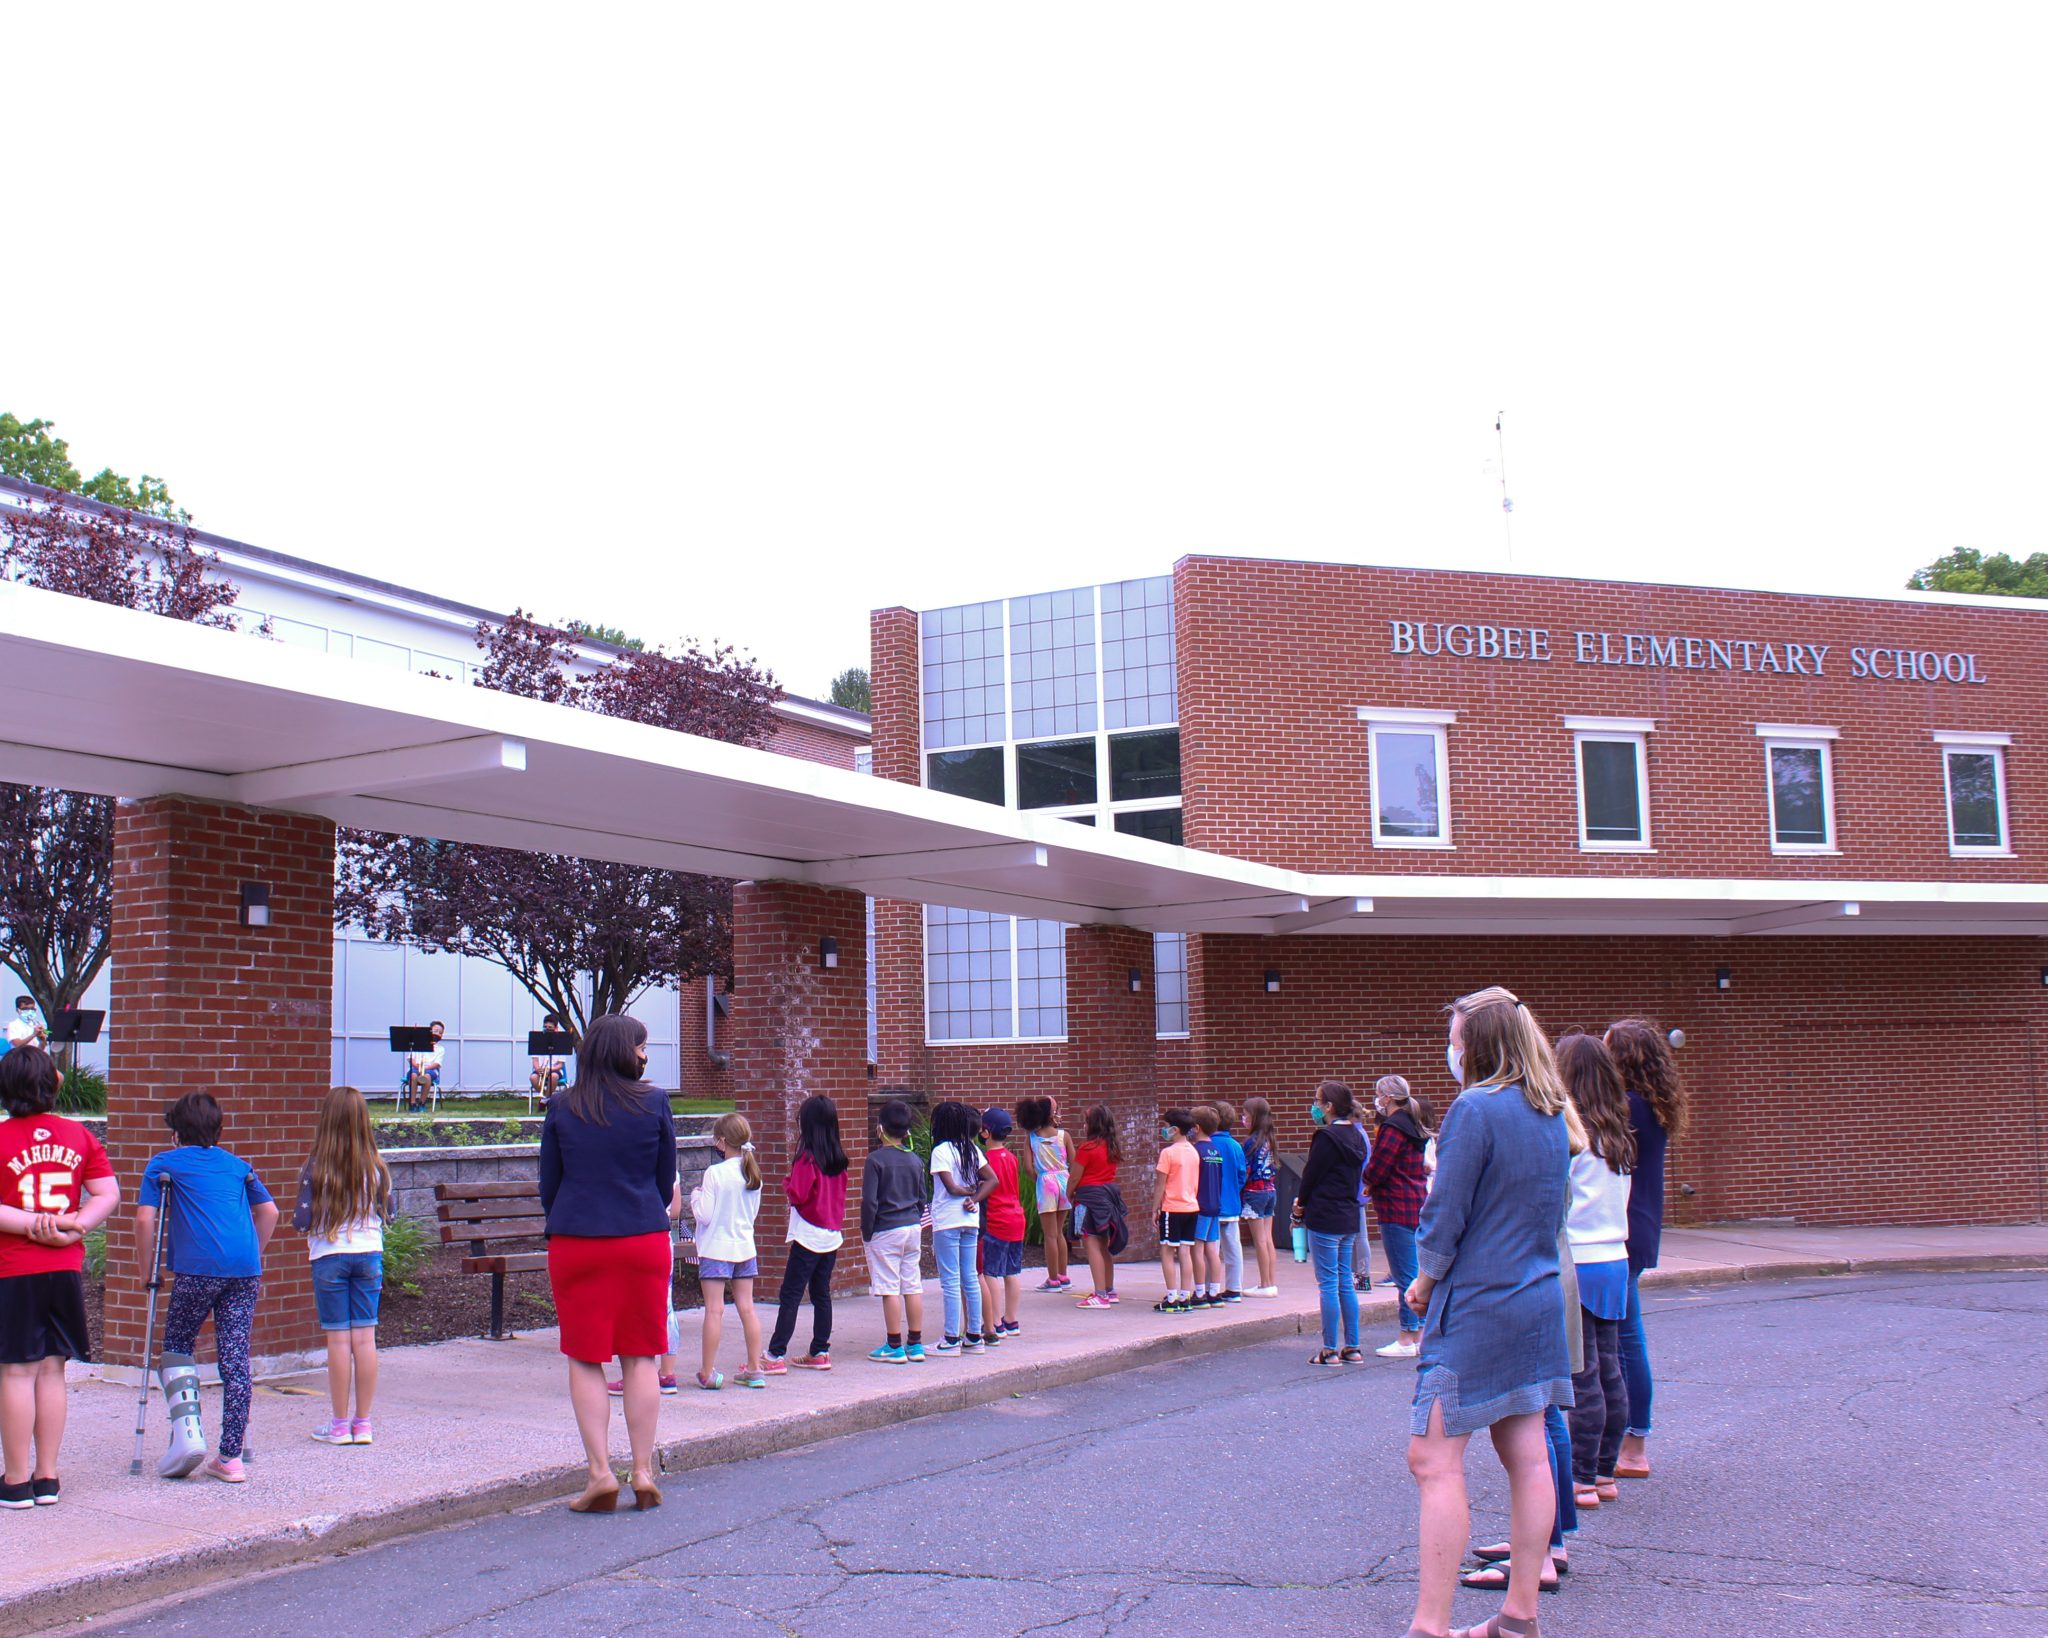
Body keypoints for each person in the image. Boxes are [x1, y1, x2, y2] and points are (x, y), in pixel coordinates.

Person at [1401, 985, 1583, 1638]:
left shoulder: (1474, 1109)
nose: (1449, 1051)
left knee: (1433, 1460)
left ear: (1475, 1045)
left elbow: (1445, 1213)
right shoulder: (1549, 1110)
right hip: (1535, 1298)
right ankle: (1519, 1615)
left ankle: (1429, 1626)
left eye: (1453, 1039)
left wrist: (1423, 1280)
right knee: (1529, 1454)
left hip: (1476, 1305)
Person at [537, 1012, 677, 1513]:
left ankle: (599, 1473)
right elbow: (666, 1182)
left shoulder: (562, 1106)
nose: (645, 1054)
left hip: (577, 1240)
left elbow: (548, 1185)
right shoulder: (655, 1102)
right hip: (641, 1237)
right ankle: (641, 1471)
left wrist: (570, 1216)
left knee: (585, 1355)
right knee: (641, 1355)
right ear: (623, 1049)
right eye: (641, 1046)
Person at [136, 1091, 279, 1484]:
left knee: (178, 1348)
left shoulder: (164, 1163)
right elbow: (269, 1211)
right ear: (219, 1128)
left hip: (198, 1271)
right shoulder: (237, 1165)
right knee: (234, 1356)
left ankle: (188, 1436)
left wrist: (147, 1270)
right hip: (243, 1270)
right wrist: (252, 1254)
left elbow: (146, 1220)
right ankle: (230, 1457)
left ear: (175, 1131)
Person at [0, 1045, 118, 1508]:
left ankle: (14, 1482)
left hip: (14, 1269)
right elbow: (107, 1194)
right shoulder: (80, 1137)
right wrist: (76, 1226)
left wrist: (32, 1225)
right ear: (54, 1085)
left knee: (15, 1371)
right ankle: (47, 1477)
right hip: (64, 1266)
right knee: (52, 1370)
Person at [1604, 1018, 1687, 1483]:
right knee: (1624, 1337)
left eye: (1607, 1047)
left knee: (1624, 1339)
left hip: (1623, 1231)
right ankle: (1629, 1440)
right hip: (1639, 1228)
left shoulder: (1629, 1108)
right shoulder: (1652, 1104)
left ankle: (1632, 1445)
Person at [293, 1086, 394, 1447]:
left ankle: (338, 1426)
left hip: (329, 1255)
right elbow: (390, 1213)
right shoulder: (377, 1165)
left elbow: (301, 1221)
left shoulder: (315, 1167)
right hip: (368, 1253)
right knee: (365, 1340)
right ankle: (363, 1423)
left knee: (338, 1341)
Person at [764, 1094, 848, 1374]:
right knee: (821, 1292)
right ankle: (820, 1350)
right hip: (831, 1234)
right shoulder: (838, 1159)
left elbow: (798, 1194)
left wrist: (786, 1182)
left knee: (791, 1293)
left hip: (808, 1235)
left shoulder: (806, 1158)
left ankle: (775, 1354)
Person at [1294, 1080, 1369, 1366]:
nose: (1314, 1106)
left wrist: (1299, 1206)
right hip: (1349, 1214)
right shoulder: (1358, 1136)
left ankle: (1329, 1349)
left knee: (1327, 1283)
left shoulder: (1326, 1137)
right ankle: (1353, 1346)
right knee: (1344, 1283)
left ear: (1329, 1106)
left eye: (1317, 1101)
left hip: (1325, 1214)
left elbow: (1311, 1176)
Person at [692, 1112, 767, 1391]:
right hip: (745, 1247)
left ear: (722, 1142)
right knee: (747, 1308)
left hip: (716, 1249)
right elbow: (753, 1214)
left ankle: (708, 1372)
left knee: (714, 1310)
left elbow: (705, 1215)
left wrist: (695, 1197)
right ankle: (754, 1369)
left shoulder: (715, 1173)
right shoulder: (752, 1173)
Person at [1365, 1075, 1435, 1358]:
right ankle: (1418, 1334)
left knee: (1404, 1274)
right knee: (1414, 1269)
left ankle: (1407, 1336)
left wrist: (1367, 1178)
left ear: (1388, 1098)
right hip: (1415, 1203)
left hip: (1395, 1207)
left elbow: (1379, 1167)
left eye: (1378, 1095)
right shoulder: (1413, 1126)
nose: (1377, 1100)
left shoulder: (1392, 1128)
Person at [861, 1095, 926, 1363]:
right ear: (907, 1130)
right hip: (912, 1227)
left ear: (881, 1128)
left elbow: (870, 1201)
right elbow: (923, 1198)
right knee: (912, 1284)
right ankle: (916, 1343)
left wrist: (867, 1231)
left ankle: (893, 1344)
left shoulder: (875, 1160)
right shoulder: (915, 1160)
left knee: (889, 1287)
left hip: (886, 1228)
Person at [928, 1100, 993, 1354]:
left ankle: (951, 1339)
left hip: (947, 1221)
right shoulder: (972, 1149)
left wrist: (965, 1191)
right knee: (970, 1278)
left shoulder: (941, 1150)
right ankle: (974, 1337)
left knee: (951, 1280)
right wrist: (975, 1198)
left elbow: (950, 1187)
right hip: (970, 1220)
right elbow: (992, 1179)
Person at [1068, 1104, 1126, 1309]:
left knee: (1091, 1244)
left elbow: (1075, 1177)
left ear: (1093, 1124)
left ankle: (1100, 1294)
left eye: (1086, 1121)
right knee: (1104, 1245)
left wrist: (1068, 1194)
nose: (1084, 1125)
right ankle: (1109, 1290)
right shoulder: (1112, 1146)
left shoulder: (1087, 1148)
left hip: (1088, 1198)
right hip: (1108, 1197)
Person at [976, 1107, 1025, 1344]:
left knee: (990, 1273)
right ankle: (1011, 1319)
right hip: (1017, 1218)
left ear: (986, 1133)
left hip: (996, 1220)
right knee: (1012, 1271)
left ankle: (995, 1321)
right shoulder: (1012, 1158)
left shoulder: (986, 1160)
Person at [1017, 1096, 1075, 1292]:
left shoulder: (1031, 1137)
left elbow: (1027, 1167)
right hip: (1064, 1180)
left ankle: (1052, 1279)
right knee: (1059, 1233)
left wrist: (1040, 1179)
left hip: (1046, 1182)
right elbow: (1074, 1162)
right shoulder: (1064, 1136)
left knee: (1049, 1235)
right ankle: (1063, 1275)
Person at [1152, 1109, 1200, 1315]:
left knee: (1166, 1251)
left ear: (1175, 1129)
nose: (1163, 1130)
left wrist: (1155, 1208)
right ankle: (1185, 1296)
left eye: (1166, 1126)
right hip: (1191, 1207)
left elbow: (1161, 1184)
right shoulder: (1193, 1151)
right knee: (1185, 1251)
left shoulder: (1168, 1153)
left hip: (1172, 1207)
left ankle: (1171, 1297)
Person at [1238, 1097, 1279, 1296]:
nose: (1243, 1119)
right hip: (1270, 1190)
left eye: (1245, 1115)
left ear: (1253, 1117)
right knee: (1268, 1239)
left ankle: (1264, 1284)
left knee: (1260, 1241)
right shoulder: (1269, 1138)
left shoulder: (1250, 1143)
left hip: (1254, 1193)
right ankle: (1271, 1281)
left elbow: (1244, 1170)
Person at [1188, 1107, 1226, 1308]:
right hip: (1215, 1204)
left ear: (1197, 1127)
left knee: (1197, 1249)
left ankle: (1200, 1292)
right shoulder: (1216, 1150)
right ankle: (1215, 1291)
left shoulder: (1196, 1151)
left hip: (1200, 1205)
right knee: (1213, 1249)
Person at [1210, 1100, 1248, 1304]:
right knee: (1234, 1248)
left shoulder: (1207, 1145)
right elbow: (1242, 1174)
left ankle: (1210, 1288)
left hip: (1210, 1207)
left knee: (1210, 1249)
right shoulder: (1235, 1146)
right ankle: (1234, 1288)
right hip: (1232, 1204)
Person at [404, 1021, 445, 1112]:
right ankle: (412, 1103)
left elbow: (437, 1063)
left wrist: (424, 1069)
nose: (437, 1033)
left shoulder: (440, 1049)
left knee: (427, 1077)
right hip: (416, 1067)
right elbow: (411, 1059)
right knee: (413, 1076)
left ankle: (422, 1103)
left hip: (430, 1069)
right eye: (435, 1030)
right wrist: (418, 1068)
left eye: (440, 1032)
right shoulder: (417, 1044)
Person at [530, 1014, 570, 1103]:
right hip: (540, 1070)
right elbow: (535, 1060)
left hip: (554, 1070)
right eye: (545, 1027)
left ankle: (545, 1100)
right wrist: (538, 1069)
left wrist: (550, 1069)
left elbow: (560, 1064)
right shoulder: (537, 1040)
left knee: (554, 1076)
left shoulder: (561, 1042)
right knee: (533, 1078)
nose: (547, 1029)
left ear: (555, 1028)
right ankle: (545, 1097)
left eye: (550, 1027)